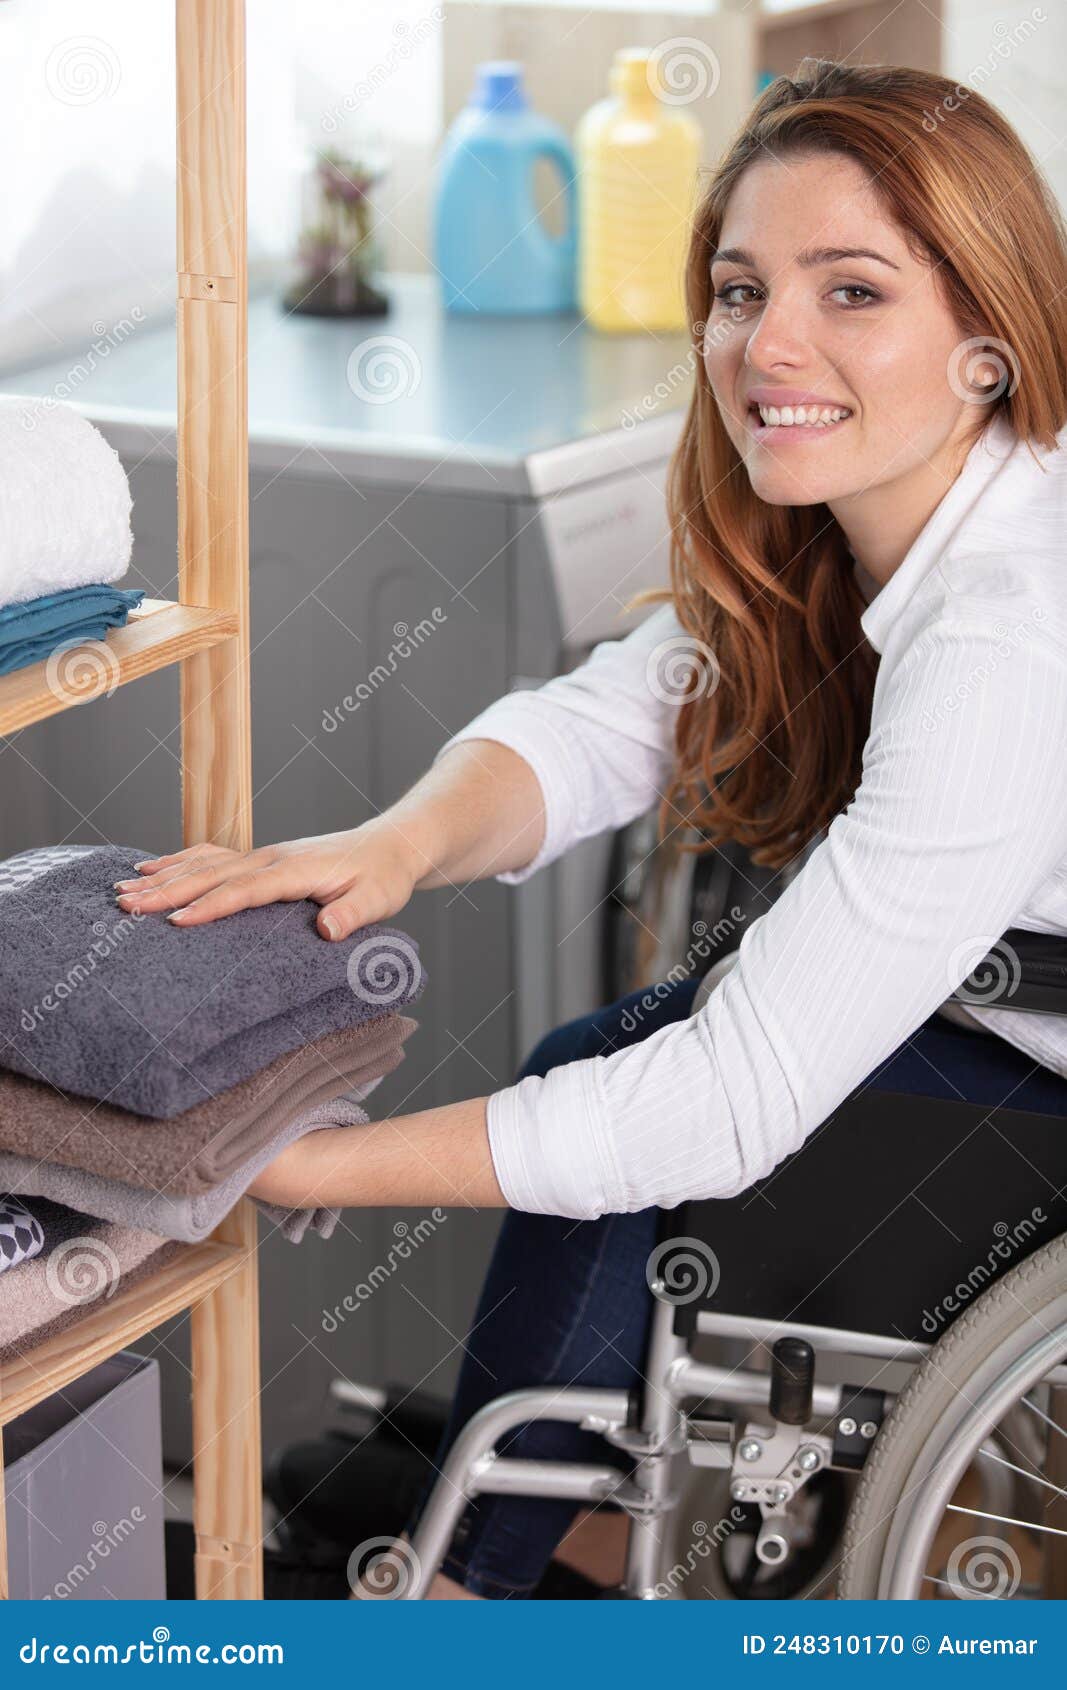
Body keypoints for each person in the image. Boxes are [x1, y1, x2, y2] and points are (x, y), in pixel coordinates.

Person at [114, 58, 1067, 1597]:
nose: (773, 345)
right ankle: (525, 1511)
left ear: (988, 343)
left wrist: (302, 1169)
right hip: (1022, 1005)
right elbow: (635, 706)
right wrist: (399, 843)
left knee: (626, 1079)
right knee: (624, 1066)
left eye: (855, 293)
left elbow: (726, 1099)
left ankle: (480, 1574)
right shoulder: (897, 515)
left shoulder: (1009, 636)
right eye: (744, 287)